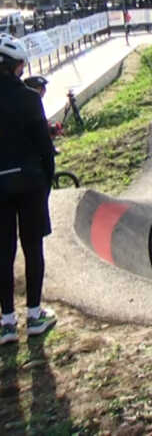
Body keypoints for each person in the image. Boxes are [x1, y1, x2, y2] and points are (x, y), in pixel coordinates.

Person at [0, 34, 57, 343]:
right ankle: (34, 316)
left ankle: (7, 321)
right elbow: (45, 147)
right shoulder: (29, 98)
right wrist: (47, 180)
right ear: (16, 66)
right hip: (30, 181)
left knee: (3, 253)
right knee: (32, 247)